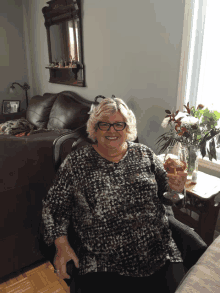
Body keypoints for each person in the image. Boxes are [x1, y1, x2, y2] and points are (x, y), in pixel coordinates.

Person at [42, 97, 196, 293]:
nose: (112, 130)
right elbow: (54, 206)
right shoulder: (77, 163)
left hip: (158, 252)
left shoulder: (145, 154)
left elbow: (166, 195)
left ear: (128, 128)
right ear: (94, 129)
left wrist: (176, 188)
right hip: (103, 261)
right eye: (104, 124)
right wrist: (61, 244)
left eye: (119, 124)